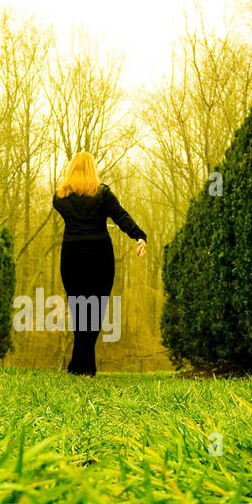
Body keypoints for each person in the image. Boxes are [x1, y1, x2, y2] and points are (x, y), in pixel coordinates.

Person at [51, 151, 147, 376]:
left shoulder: (60, 197)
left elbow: (64, 202)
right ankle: (83, 366)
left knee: (79, 309)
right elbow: (121, 216)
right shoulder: (102, 194)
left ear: (72, 169)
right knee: (94, 310)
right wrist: (139, 235)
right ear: (92, 169)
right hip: (99, 256)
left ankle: (80, 365)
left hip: (72, 256)